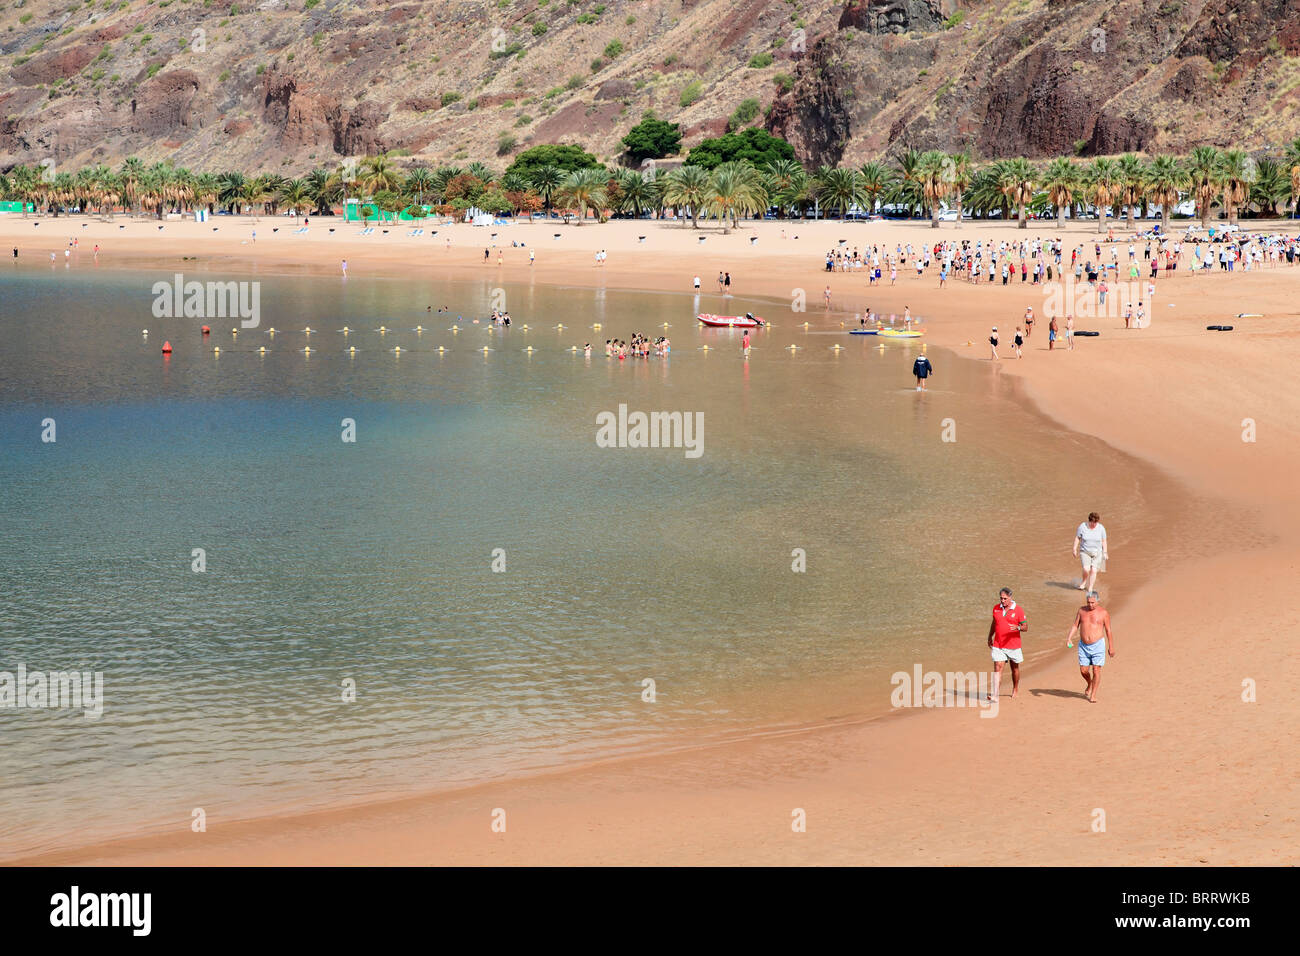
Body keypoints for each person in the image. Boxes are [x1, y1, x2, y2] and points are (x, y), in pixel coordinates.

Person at [1067, 591, 1114, 703]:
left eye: (1093, 602)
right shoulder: (1081, 611)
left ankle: (1093, 695)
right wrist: (1069, 638)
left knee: (1096, 670)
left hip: (1098, 645)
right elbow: (1075, 625)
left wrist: (1111, 647)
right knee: (1083, 670)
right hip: (1083, 645)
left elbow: (1108, 630)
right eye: (1088, 602)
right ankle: (1089, 683)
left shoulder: (1103, 613)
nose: (1090, 605)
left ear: (1098, 601)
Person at [987, 587, 1027, 700]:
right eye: (1001, 598)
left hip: (1013, 645)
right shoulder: (996, 608)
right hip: (998, 644)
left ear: (1010, 597)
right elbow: (994, 623)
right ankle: (995, 694)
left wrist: (1018, 627)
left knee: (1014, 668)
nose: (1002, 601)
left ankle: (1015, 688)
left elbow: (1025, 627)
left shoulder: (1018, 610)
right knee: (997, 667)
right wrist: (990, 636)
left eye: (1005, 598)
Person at [1073, 512, 1108, 592]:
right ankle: (1084, 582)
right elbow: (1077, 538)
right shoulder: (1083, 526)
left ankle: (1090, 587)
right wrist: (1074, 549)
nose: (1094, 524)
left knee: (1094, 570)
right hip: (1085, 551)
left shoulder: (1101, 528)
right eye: (1092, 522)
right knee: (1086, 569)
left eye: (1096, 522)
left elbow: (1104, 540)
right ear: (1089, 521)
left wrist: (1105, 552)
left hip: (1098, 552)